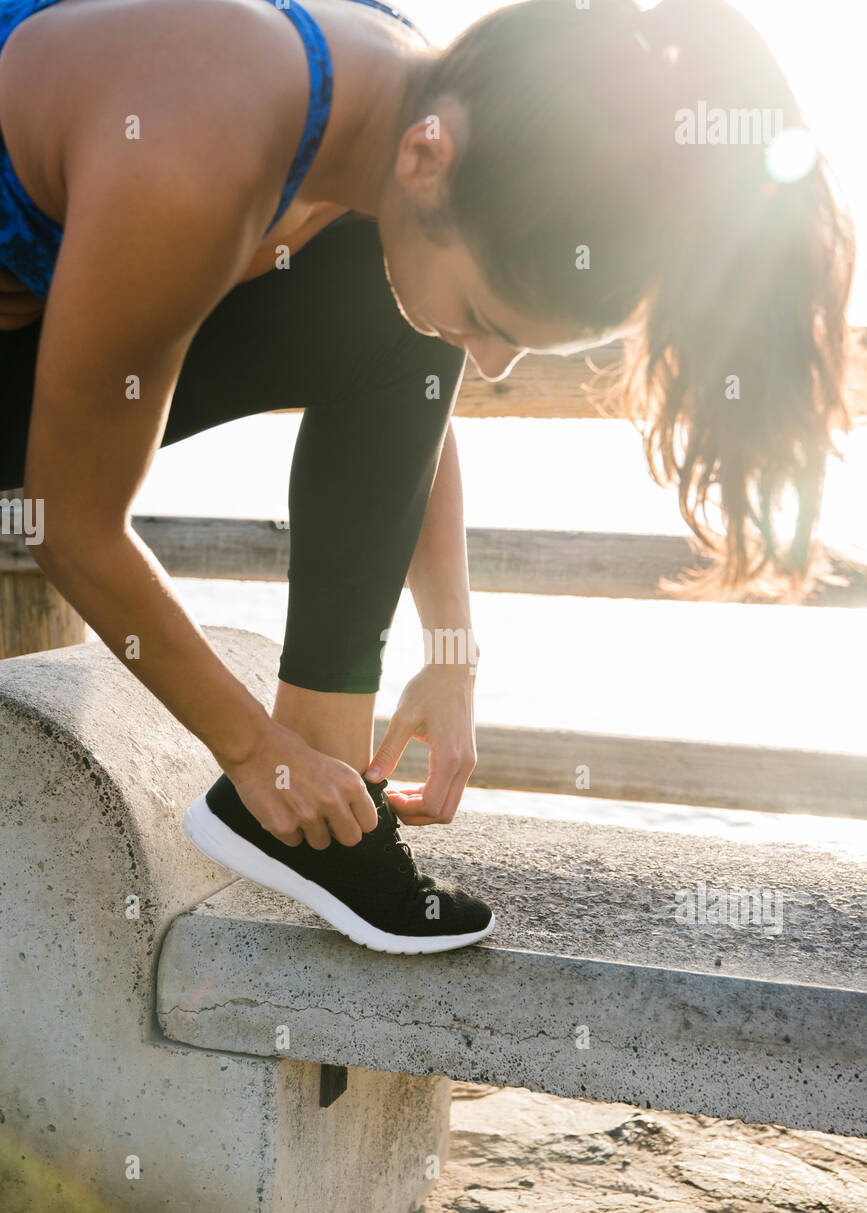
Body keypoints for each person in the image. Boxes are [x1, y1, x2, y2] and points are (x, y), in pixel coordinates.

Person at [0, 0, 854, 951]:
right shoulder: (201, 139)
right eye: (489, 318)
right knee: (380, 301)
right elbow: (66, 519)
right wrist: (250, 750)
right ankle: (287, 792)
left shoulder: (418, 104)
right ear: (425, 162)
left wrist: (452, 652)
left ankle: (327, 812)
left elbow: (405, 373)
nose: (487, 366)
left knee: (386, 308)